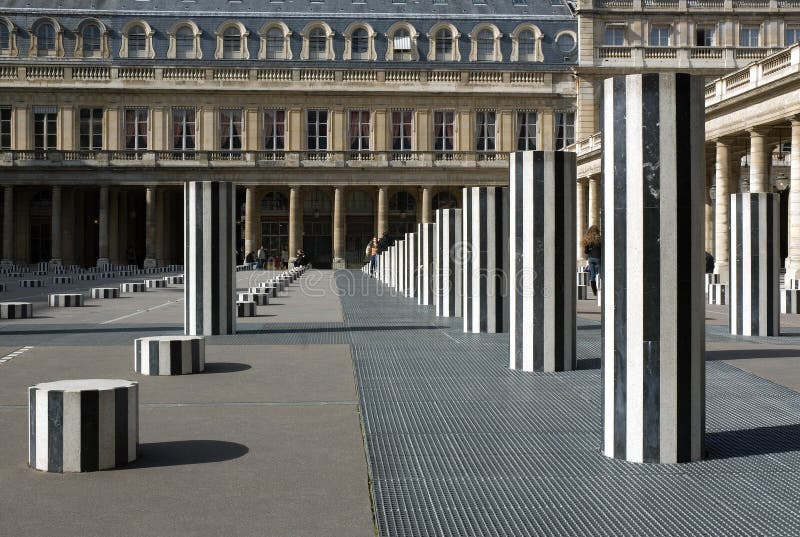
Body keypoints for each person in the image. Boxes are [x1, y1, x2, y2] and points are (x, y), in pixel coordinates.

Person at [582, 225, 601, 296]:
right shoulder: (599, 238)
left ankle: (595, 292)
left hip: (591, 258)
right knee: (602, 274)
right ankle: (603, 289)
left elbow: (585, 251)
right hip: (599, 258)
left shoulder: (588, 239)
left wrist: (590, 250)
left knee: (592, 276)